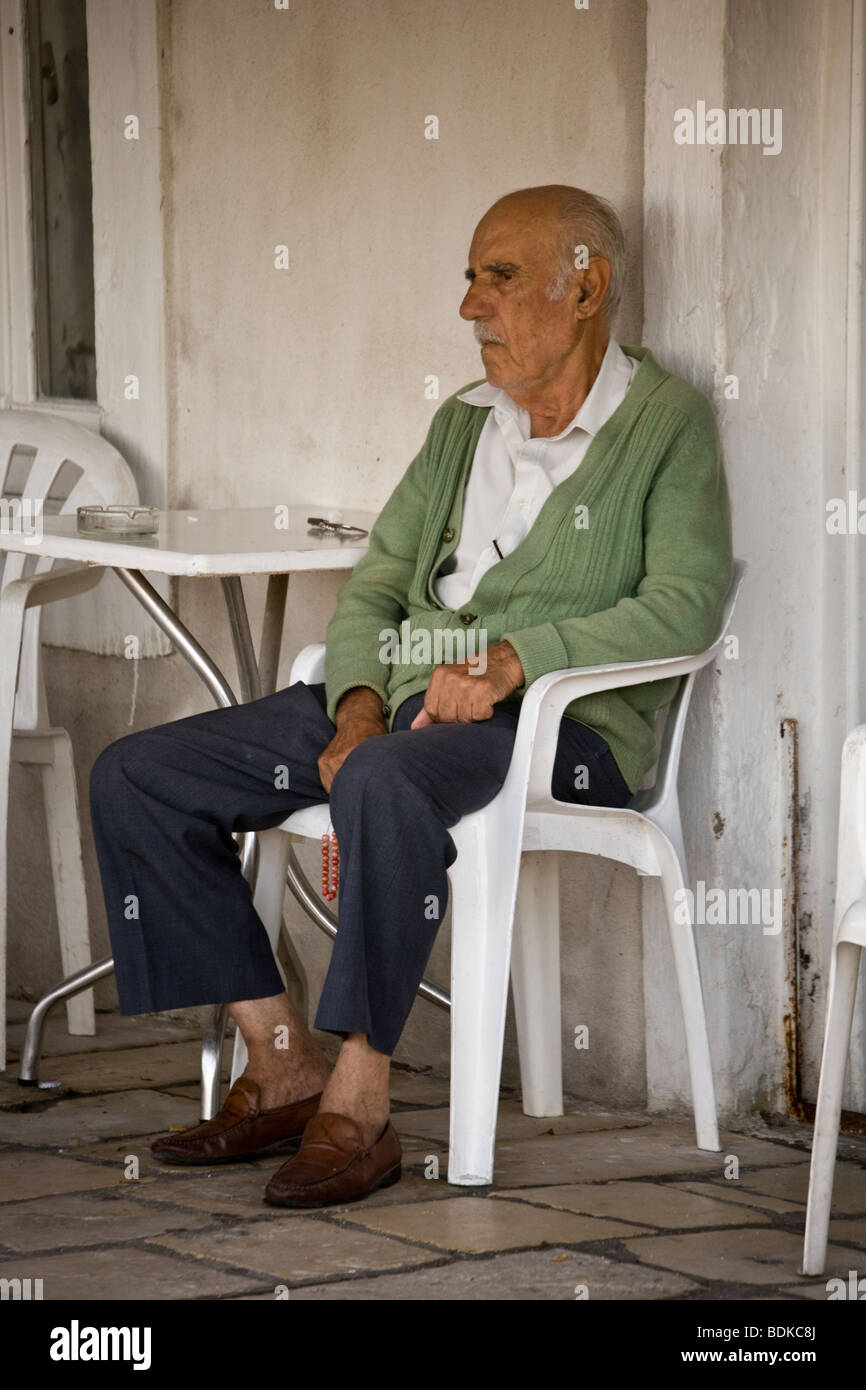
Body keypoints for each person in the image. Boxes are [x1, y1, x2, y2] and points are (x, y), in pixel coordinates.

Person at [89, 184, 732, 1208]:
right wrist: (353, 707)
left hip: (554, 730)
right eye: (468, 278)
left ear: (585, 286)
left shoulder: (663, 425)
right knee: (142, 774)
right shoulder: (461, 427)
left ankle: (360, 1097)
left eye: (499, 277)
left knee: (386, 779)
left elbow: (685, 607)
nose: (469, 306)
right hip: (395, 710)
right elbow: (379, 587)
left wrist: (515, 659)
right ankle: (283, 1057)